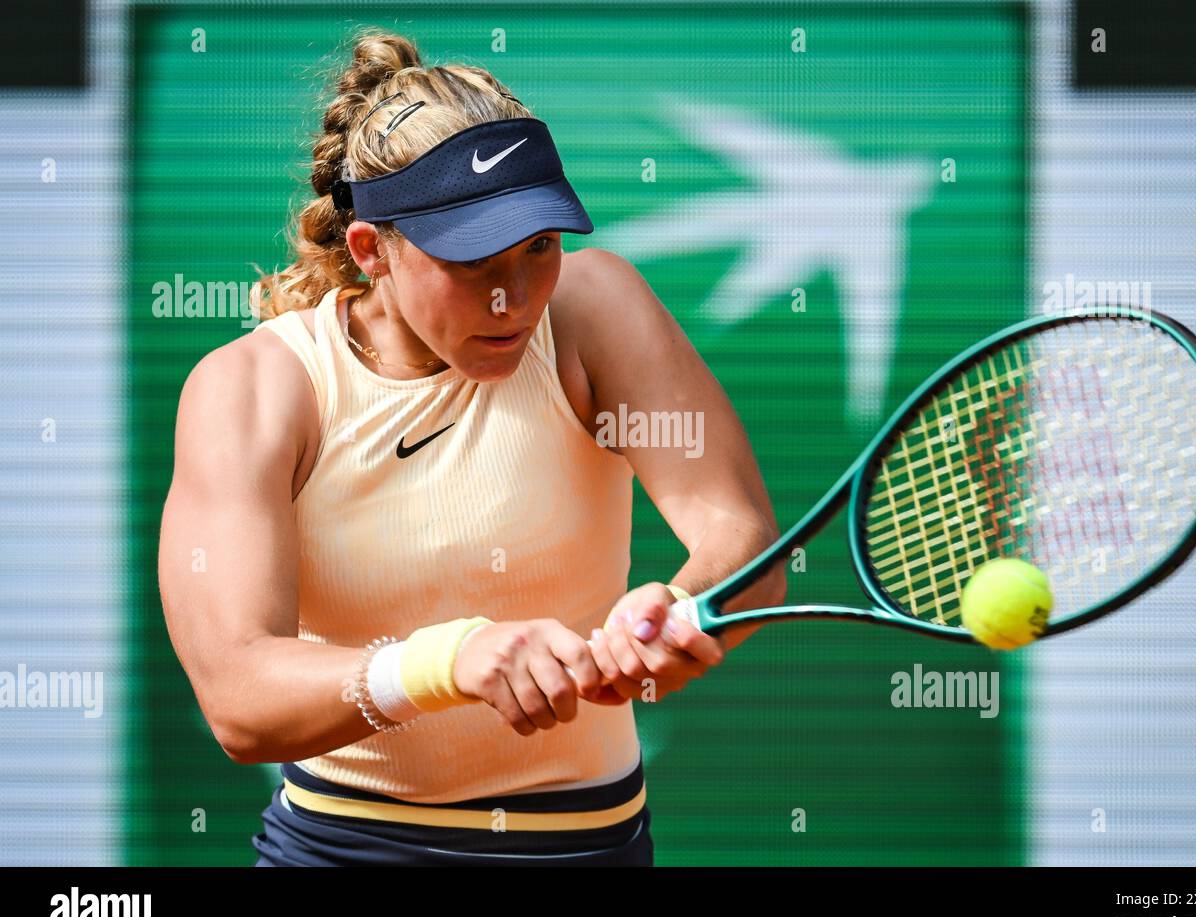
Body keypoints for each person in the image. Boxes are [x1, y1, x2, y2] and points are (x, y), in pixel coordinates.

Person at [157, 30, 785, 866]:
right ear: (372, 250)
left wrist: (675, 611)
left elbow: (741, 543)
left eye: (540, 246)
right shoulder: (254, 388)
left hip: (591, 848)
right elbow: (239, 699)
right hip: (344, 850)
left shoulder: (597, 310)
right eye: (471, 260)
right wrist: (447, 660)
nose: (514, 298)